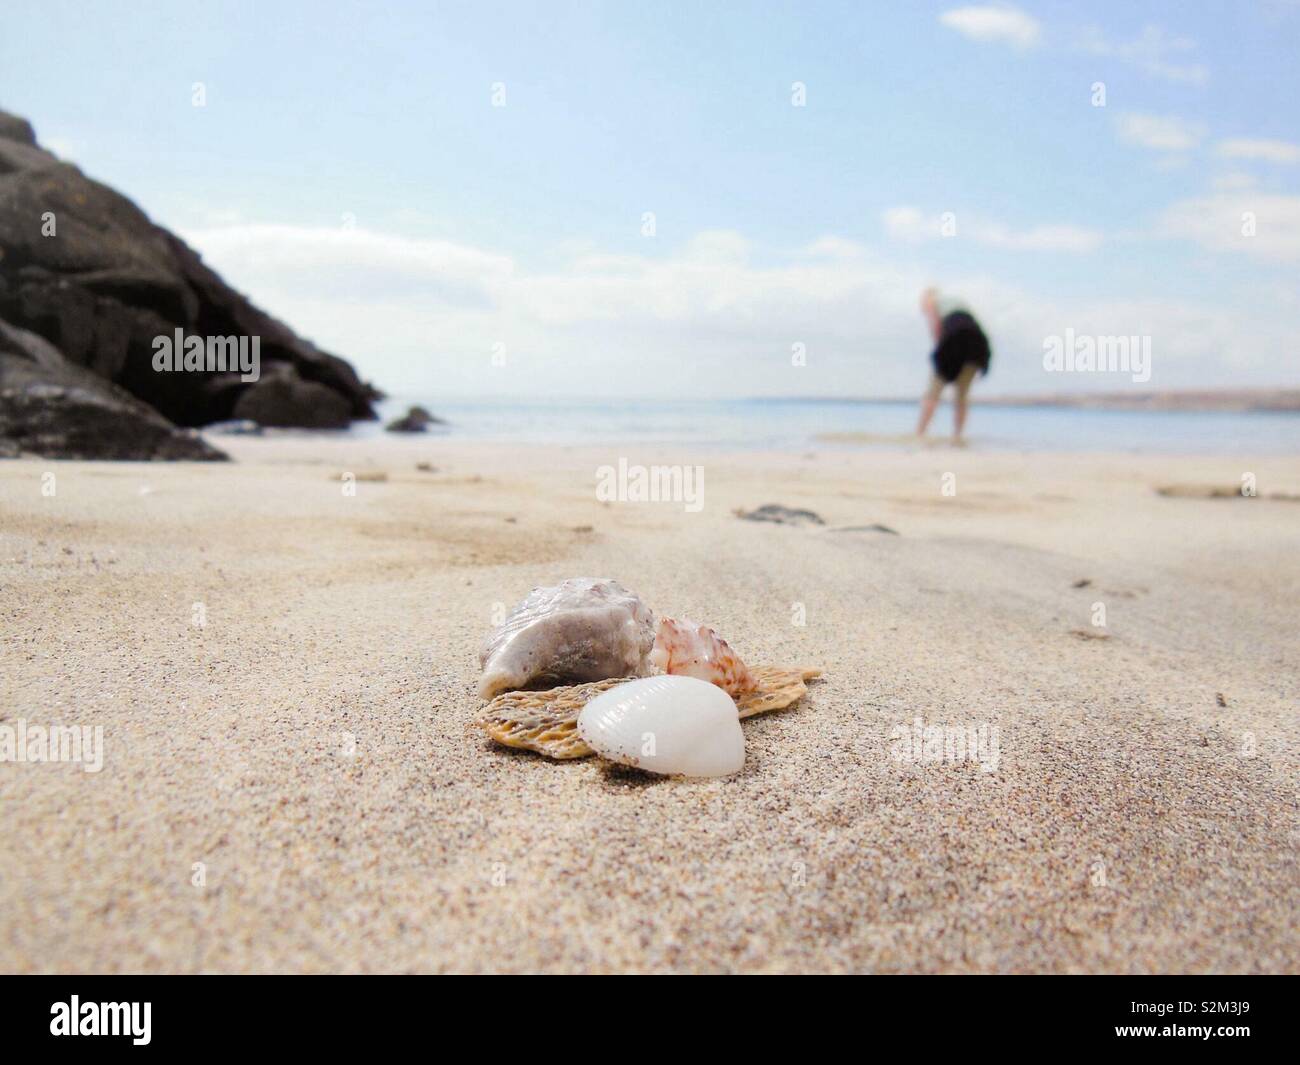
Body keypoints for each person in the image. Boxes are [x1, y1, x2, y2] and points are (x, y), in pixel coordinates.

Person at [915, 287, 991, 443]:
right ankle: (958, 436)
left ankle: (920, 434)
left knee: (933, 392)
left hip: (954, 339)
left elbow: (936, 328)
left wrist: (940, 355)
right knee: (962, 395)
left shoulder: (933, 302)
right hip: (977, 344)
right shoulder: (957, 302)